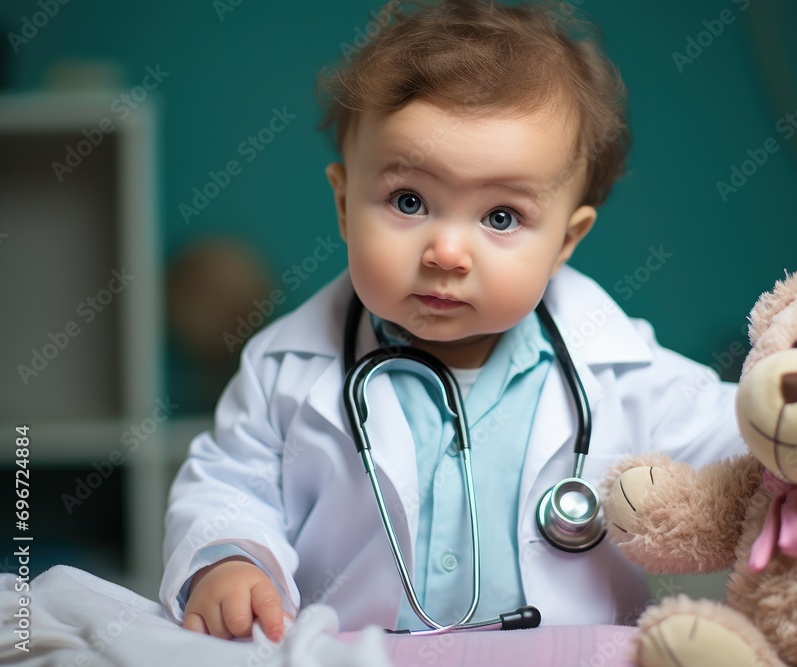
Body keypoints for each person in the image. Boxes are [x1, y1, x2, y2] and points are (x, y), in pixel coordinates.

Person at [161, 0, 746, 642]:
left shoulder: (624, 369)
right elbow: (228, 482)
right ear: (344, 204)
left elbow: (744, 441)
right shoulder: (285, 369)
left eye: (501, 217)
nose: (446, 253)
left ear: (566, 241)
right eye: (409, 201)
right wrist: (233, 557)